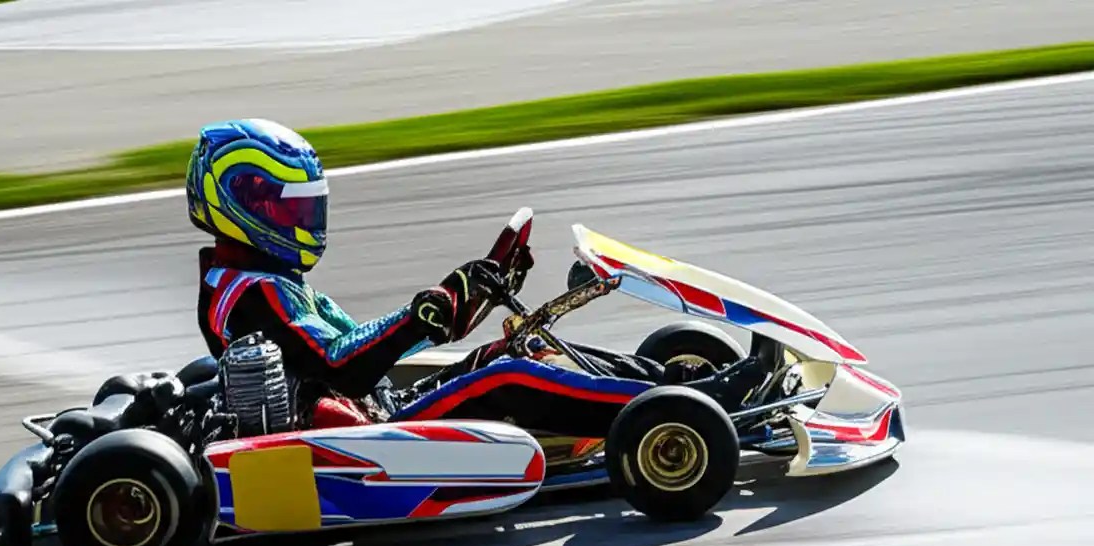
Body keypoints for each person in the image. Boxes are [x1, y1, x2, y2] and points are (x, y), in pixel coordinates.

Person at [188, 119, 760, 436]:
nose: (302, 222)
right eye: (289, 209)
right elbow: (342, 364)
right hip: (358, 432)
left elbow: (348, 362)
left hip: (372, 406)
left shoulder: (253, 278)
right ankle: (697, 408)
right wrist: (430, 310)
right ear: (242, 206)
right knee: (506, 379)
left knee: (518, 348)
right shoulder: (249, 293)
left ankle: (678, 381)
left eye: (306, 208)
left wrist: (467, 301)